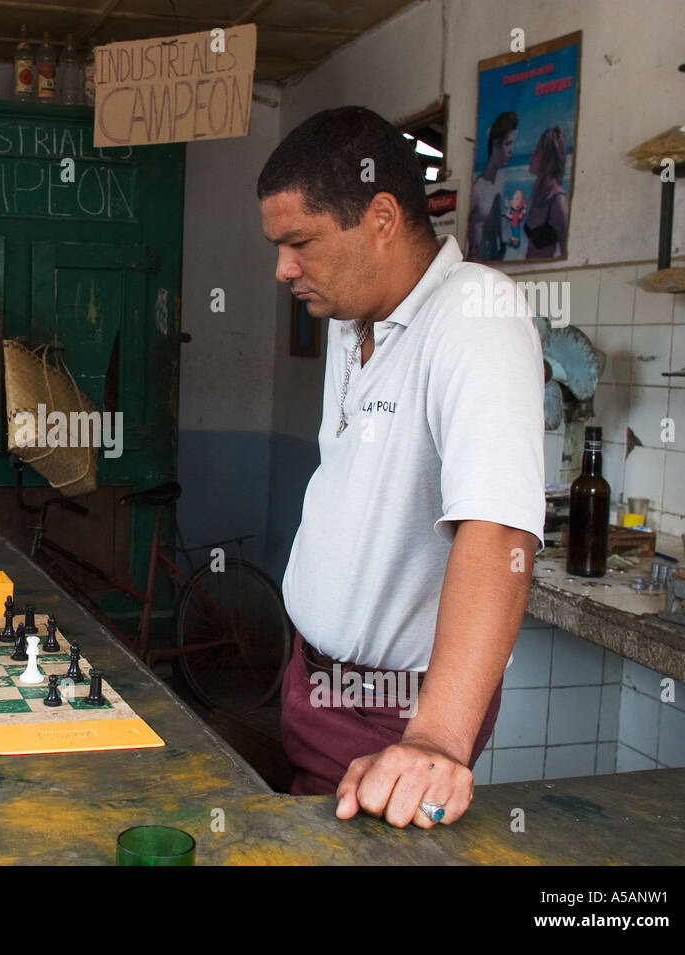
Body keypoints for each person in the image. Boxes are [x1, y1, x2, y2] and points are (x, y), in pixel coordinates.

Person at [258, 107, 545, 828]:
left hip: (393, 715)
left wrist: (435, 738)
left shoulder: (475, 314)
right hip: (314, 685)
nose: (282, 268)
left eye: (298, 243)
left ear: (381, 216)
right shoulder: (355, 321)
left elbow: (501, 531)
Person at [467, 111, 517, 261]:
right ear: (496, 144)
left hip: (495, 263)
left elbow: (499, 221)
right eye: (508, 143)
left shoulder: (501, 181)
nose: (511, 150)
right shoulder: (476, 189)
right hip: (475, 268)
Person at [523, 126, 569, 259]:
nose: (532, 154)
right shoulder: (539, 195)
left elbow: (566, 251)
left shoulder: (557, 201)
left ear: (548, 158)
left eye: (537, 151)